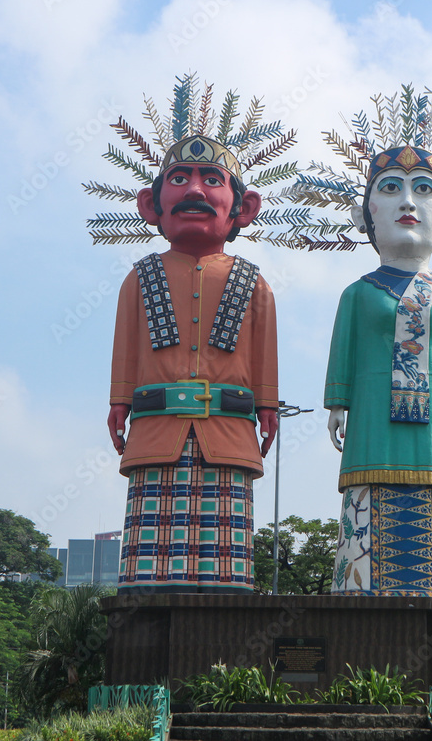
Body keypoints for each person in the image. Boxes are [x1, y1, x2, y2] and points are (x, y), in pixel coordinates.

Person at [108, 134, 279, 593]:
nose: (196, 191)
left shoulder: (253, 283)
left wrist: (268, 406)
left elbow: (265, 353)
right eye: (179, 179)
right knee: (149, 567)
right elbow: (126, 345)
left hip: (229, 430)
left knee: (226, 567)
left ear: (242, 208)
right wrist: (119, 400)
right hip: (155, 428)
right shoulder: (140, 278)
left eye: (212, 180)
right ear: (152, 204)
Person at [325, 145, 432, 598]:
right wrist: (338, 402)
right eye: (391, 188)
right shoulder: (357, 293)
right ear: (364, 215)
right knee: (367, 505)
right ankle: (360, 591)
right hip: (371, 421)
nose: (408, 203)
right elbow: (344, 351)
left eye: (425, 190)